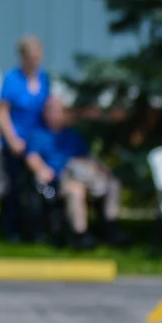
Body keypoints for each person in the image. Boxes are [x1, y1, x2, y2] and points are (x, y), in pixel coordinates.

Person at [24, 96, 127, 249]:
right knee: (75, 190)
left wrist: (102, 167)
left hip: (83, 176)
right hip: (59, 180)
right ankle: (80, 234)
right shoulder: (38, 135)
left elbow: (87, 156)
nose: (58, 114)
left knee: (113, 184)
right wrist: (41, 169)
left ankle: (110, 228)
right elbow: (31, 157)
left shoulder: (71, 135)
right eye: (54, 111)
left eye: (60, 111)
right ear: (46, 113)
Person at [0, 35, 50, 242]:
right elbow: (2, 111)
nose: (35, 59)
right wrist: (12, 139)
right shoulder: (12, 79)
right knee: (15, 186)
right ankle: (11, 229)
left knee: (37, 185)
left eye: (38, 55)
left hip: (36, 142)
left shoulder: (44, 78)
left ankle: (37, 228)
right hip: (16, 142)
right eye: (31, 55)